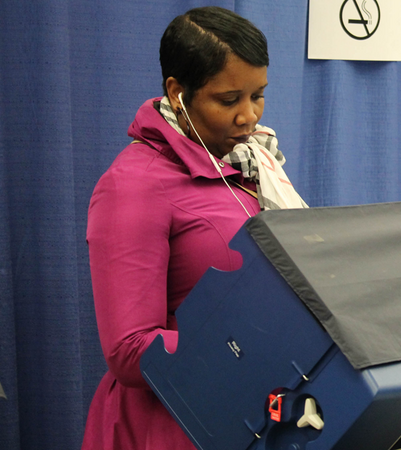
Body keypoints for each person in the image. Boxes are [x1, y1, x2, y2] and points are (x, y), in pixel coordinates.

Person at [82, 7, 305, 449]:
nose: (249, 117)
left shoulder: (250, 167)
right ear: (178, 94)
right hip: (166, 427)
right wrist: (251, 345)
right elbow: (129, 350)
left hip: (243, 412)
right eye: (228, 100)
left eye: (257, 95)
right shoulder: (133, 186)